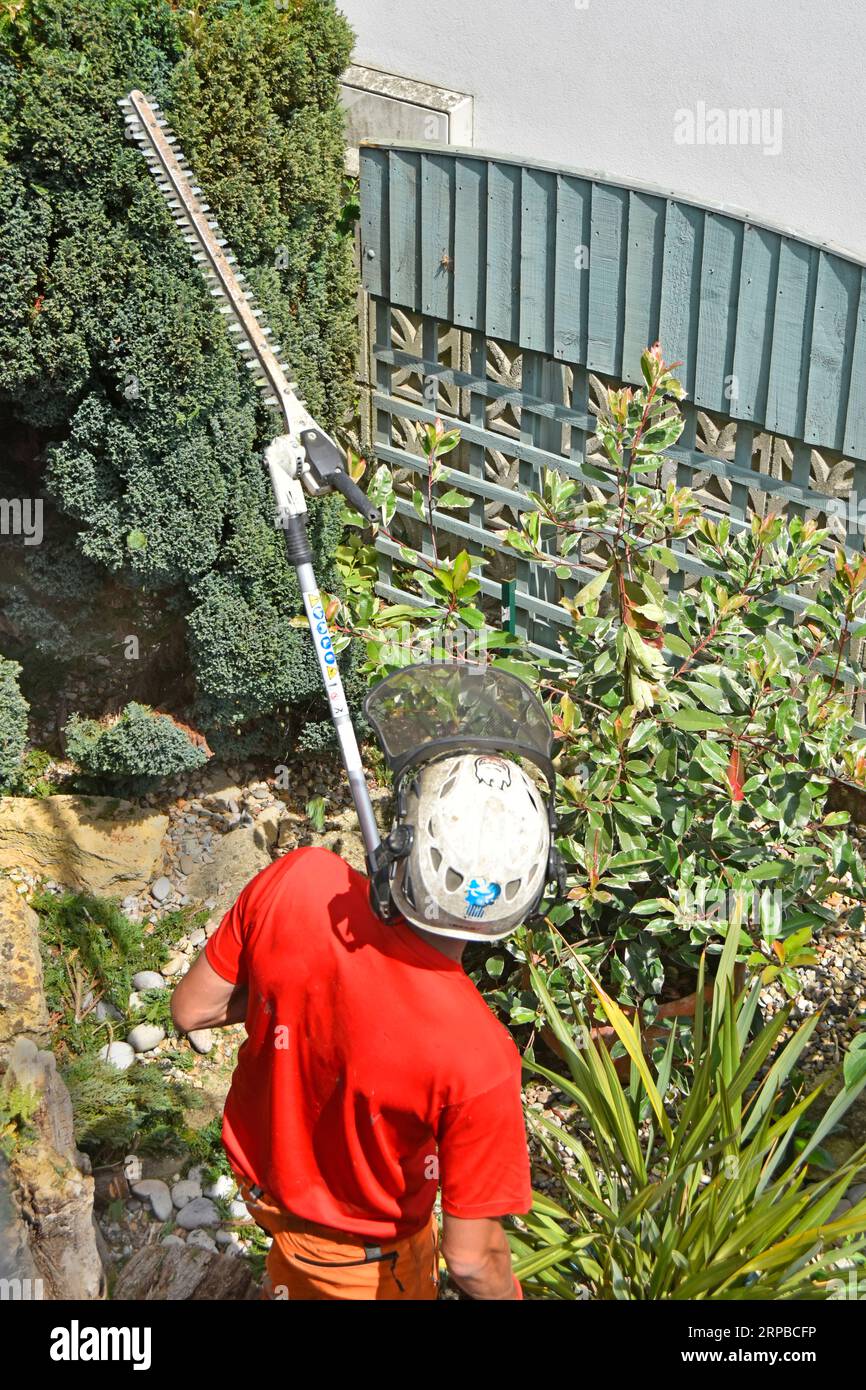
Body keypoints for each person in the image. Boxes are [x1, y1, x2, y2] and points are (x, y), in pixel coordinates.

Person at [172, 669, 559, 1301]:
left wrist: (290, 996)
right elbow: (471, 1262)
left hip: (261, 1184)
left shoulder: (300, 880)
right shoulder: (480, 1058)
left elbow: (191, 1010)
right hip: (359, 1254)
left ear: (407, 831)